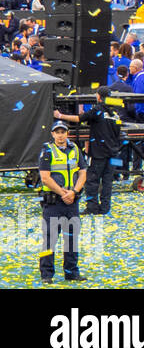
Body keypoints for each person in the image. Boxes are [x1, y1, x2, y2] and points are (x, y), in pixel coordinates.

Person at [52, 87, 123, 215]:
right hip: (113, 153)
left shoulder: (97, 110)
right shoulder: (115, 113)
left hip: (99, 153)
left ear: (99, 97)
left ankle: (92, 207)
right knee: (107, 181)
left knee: (92, 181)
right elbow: (118, 132)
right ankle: (105, 208)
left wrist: (60, 116)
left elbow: (80, 118)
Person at [37, 121, 86, 283]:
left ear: (67, 133)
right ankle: (46, 275)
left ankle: (71, 272)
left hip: (72, 201)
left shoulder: (75, 149)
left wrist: (74, 192)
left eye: (62, 132)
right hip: (53, 203)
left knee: (71, 238)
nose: (60, 135)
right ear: (52, 134)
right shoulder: (47, 151)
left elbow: (83, 173)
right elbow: (45, 178)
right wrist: (63, 193)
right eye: (57, 132)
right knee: (50, 239)